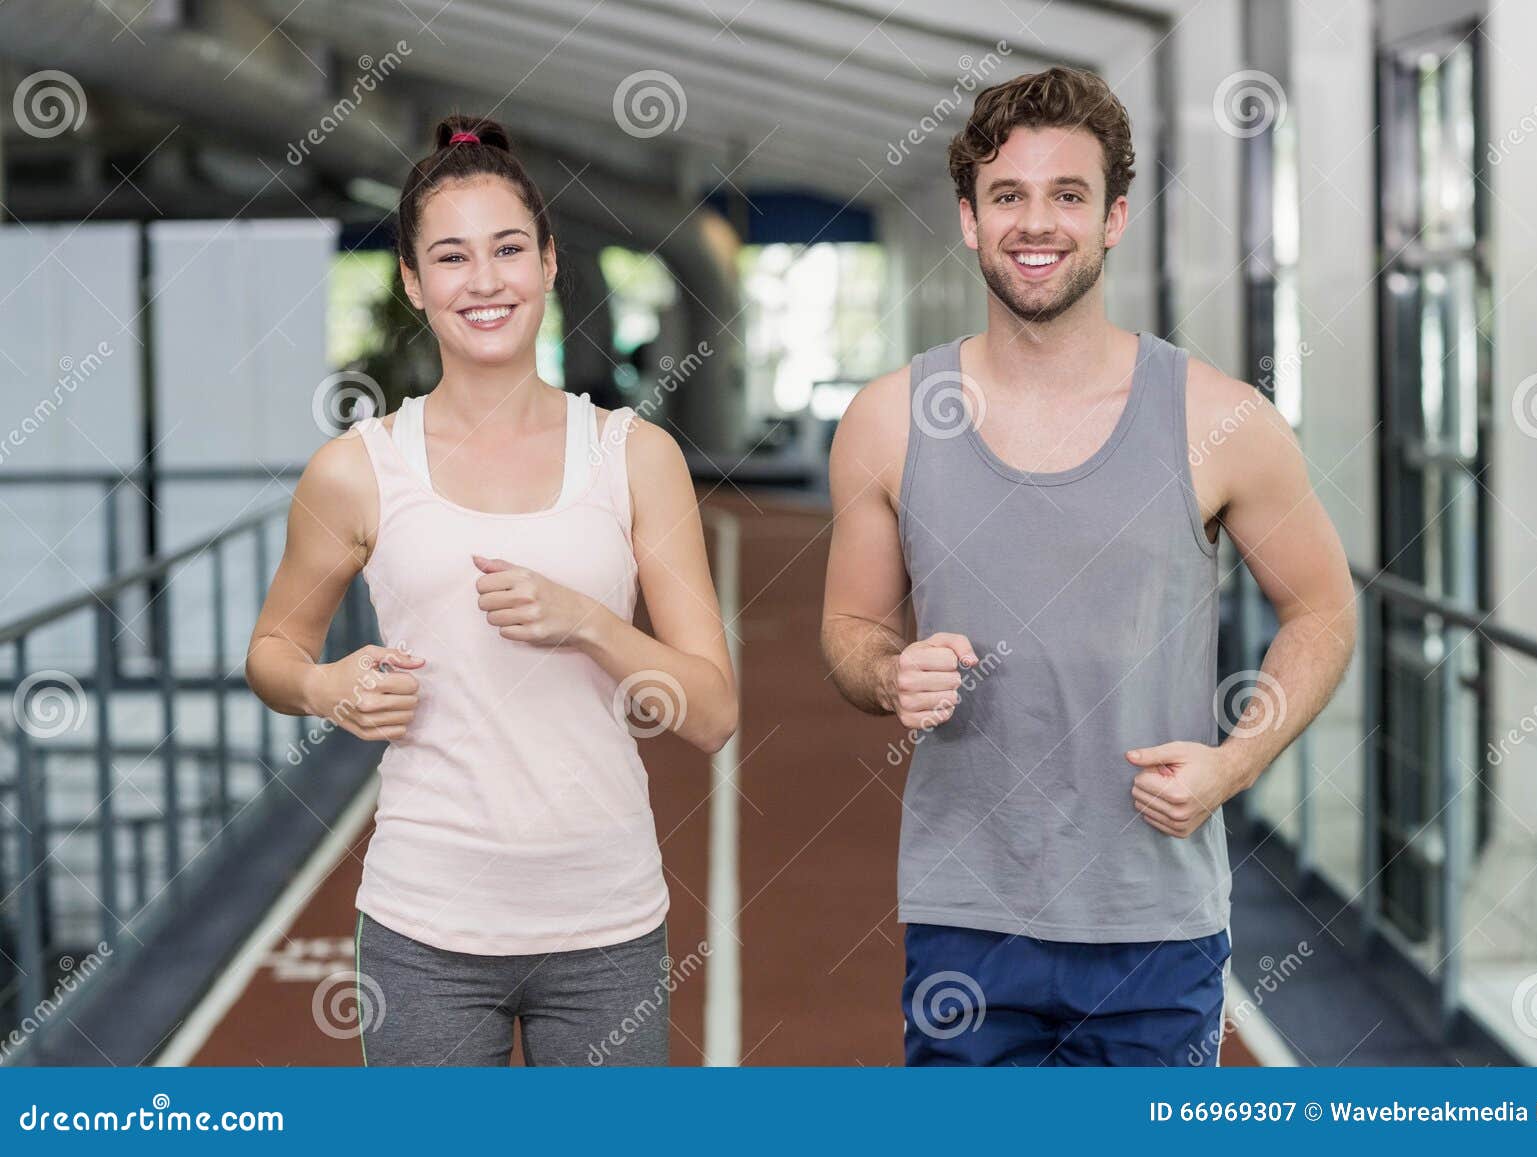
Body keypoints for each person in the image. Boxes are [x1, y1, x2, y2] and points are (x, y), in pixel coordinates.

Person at [820, 67, 1356, 1066]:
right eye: (1008, 196)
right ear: (970, 220)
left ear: (1112, 217)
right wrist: (887, 673)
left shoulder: (1217, 418)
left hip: (1155, 924)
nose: (1037, 223)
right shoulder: (889, 418)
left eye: (1067, 195)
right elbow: (849, 631)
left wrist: (1233, 764)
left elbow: (1322, 606)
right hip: (967, 916)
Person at [245, 115, 737, 1066]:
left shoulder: (637, 458)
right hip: (424, 925)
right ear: (412, 280)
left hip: (607, 924)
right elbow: (273, 652)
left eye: (509, 248)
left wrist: (590, 622)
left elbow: (710, 712)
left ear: (550, 264)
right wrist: (323, 686)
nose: (484, 280)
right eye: (452, 256)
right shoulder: (356, 469)